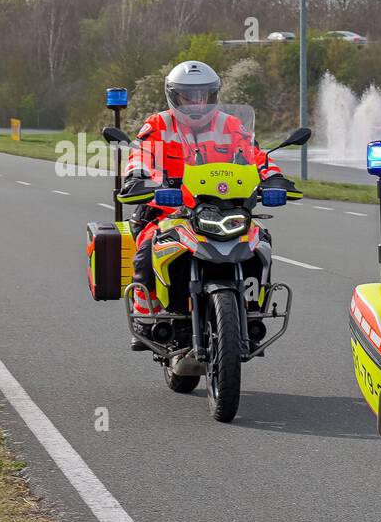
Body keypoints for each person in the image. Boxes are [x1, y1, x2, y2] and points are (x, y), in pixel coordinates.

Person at [118, 60, 300, 348]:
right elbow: (141, 154)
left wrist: (274, 178)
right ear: (174, 96)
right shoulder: (158, 124)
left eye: (204, 95)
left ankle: (252, 312)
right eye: (188, 96)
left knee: (260, 242)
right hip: (172, 209)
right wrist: (137, 176)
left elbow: (255, 155)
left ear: (214, 95)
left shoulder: (231, 124)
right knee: (145, 249)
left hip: (227, 208)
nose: (196, 103)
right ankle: (146, 317)